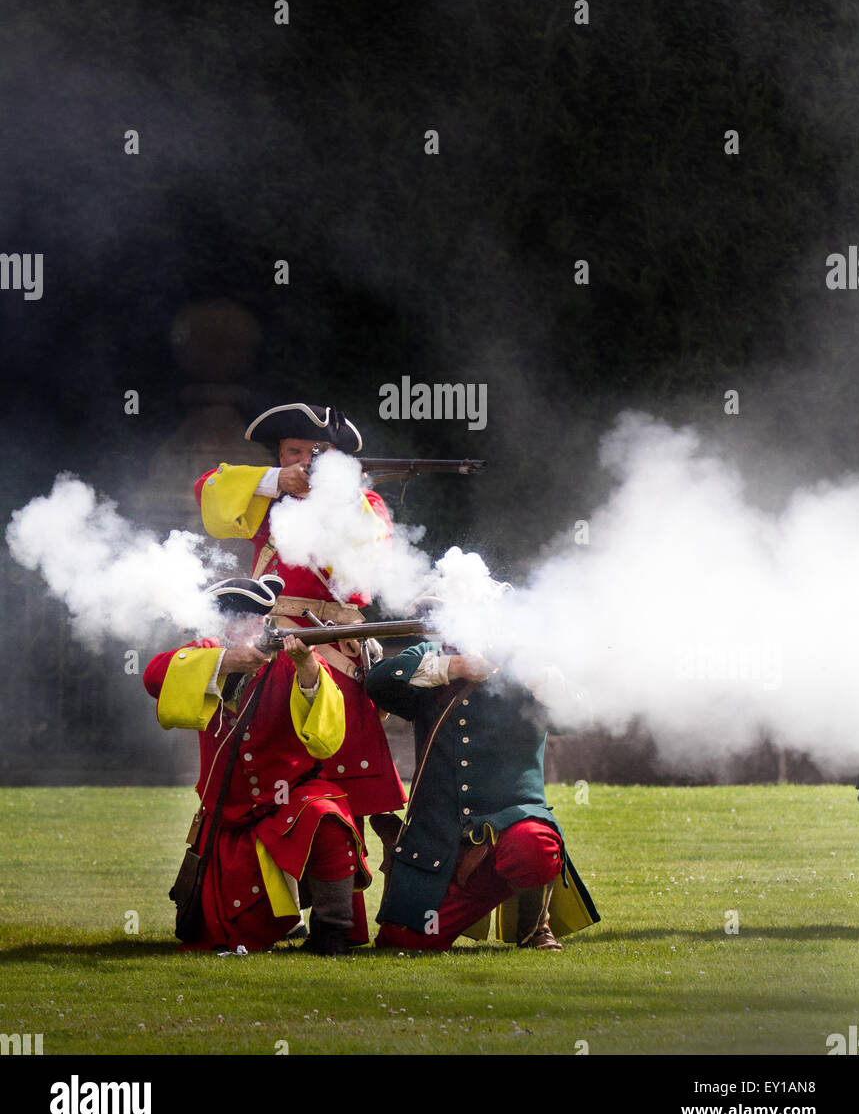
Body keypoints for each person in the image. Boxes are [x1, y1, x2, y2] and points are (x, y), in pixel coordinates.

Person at [193, 402, 406, 941]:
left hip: (339, 649)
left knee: (342, 786)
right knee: (267, 778)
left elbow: (372, 551)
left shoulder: (365, 504)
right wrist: (274, 480)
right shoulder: (266, 497)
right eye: (294, 453)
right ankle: (261, 906)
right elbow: (208, 493)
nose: (305, 463)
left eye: (318, 455)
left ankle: (343, 925)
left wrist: (339, 493)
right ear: (280, 459)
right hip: (275, 648)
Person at [143, 574, 371, 955]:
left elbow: (326, 733)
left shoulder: (289, 656)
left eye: (256, 618)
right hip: (229, 817)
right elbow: (154, 676)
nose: (249, 626)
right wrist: (228, 661)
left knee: (327, 816)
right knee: (225, 934)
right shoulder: (205, 654)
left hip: (290, 800)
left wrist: (307, 667)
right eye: (237, 617)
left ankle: (332, 933)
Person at [366, 636, 600, 951]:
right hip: (442, 845)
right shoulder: (433, 661)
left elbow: (581, 715)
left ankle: (534, 930)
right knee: (403, 942)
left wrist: (540, 675)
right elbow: (378, 683)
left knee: (534, 844)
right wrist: (455, 666)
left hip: (512, 837)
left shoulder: (528, 661)